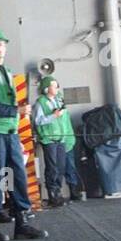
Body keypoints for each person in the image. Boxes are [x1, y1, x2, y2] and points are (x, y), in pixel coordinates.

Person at [0, 29, 47, 241]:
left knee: (17, 176)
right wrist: (17, 110)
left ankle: (21, 223)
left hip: (10, 132)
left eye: (2, 44)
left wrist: (17, 112)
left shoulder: (6, 72)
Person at [33, 75, 82, 206]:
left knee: (61, 166)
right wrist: (53, 116)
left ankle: (58, 192)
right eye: (54, 86)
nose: (57, 88)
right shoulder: (40, 103)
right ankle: (52, 194)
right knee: (52, 167)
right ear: (46, 88)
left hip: (61, 138)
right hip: (49, 139)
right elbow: (38, 121)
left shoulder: (59, 101)